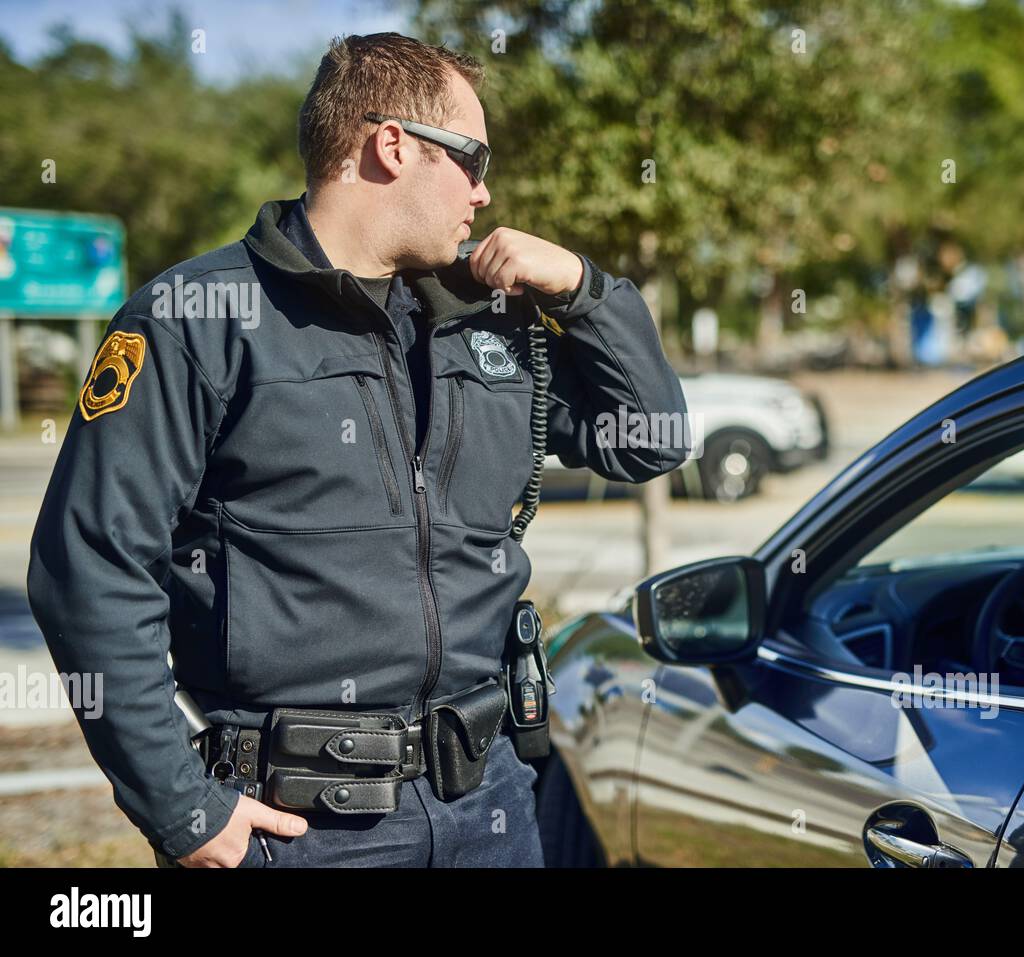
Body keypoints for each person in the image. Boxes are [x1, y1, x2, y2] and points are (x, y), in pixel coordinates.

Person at [26, 32, 690, 868]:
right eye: (473, 158)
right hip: (296, 829)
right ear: (392, 146)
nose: (484, 193)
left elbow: (653, 441)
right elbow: (90, 564)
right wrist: (183, 807)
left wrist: (588, 292)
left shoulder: (489, 321)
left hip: (490, 804)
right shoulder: (195, 317)